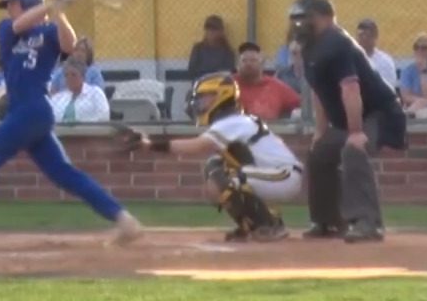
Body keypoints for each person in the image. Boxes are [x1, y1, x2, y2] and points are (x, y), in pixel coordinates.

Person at [0, 0, 143, 252]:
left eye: (13, 4)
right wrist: (52, 4)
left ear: (28, 3)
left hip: (34, 109)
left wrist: (60, 13)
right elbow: (19, 25)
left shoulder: (49, 31)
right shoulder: (6, 29)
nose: (9, 9)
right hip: (23, 111)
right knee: (64, 173)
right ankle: (125, 222)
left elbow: (69, 45)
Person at [116, 72, 299, 243]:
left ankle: (270, 225)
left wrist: (150, 145)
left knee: (228, 180)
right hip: (270, 174)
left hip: (284, 175)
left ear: (222, 96)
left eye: (205, 97)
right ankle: (250, 224)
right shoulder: (231, 121)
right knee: (215, 167)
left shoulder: (233, 121)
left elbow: (197, 145)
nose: (200, 102)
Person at [291, 0, 407, 244]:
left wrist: (355, 132)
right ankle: (328, 221)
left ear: (324, 17)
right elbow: (319, 92)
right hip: (351, 117)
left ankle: (368, 223)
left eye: (305, 18)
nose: (299, 25)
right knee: (320, 153)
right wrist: (320, 131)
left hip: (380, 113)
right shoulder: (311, 47)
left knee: (353, 150)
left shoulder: (338, 43)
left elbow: (350, 88)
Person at [234, 42, 300, 121]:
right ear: (237, 65)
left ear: (262, 64)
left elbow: (300, 104)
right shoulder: (229, 85)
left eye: (253, 60)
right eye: (244, 60)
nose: (248, 64)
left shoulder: (276, 86)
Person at [49, 59, 111, 123]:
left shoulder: (95, 93)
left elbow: (103, 117)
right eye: (66, 75)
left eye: (73, 75)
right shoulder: (58, 98)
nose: (69, 78)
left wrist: (82, 125)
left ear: (83, 76)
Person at [355, 18, 398, 90]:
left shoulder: (385, 62)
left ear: (375, 37)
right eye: (361, 35)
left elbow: (388, 89)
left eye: (368, 35)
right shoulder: (350, 60)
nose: (364, 38)